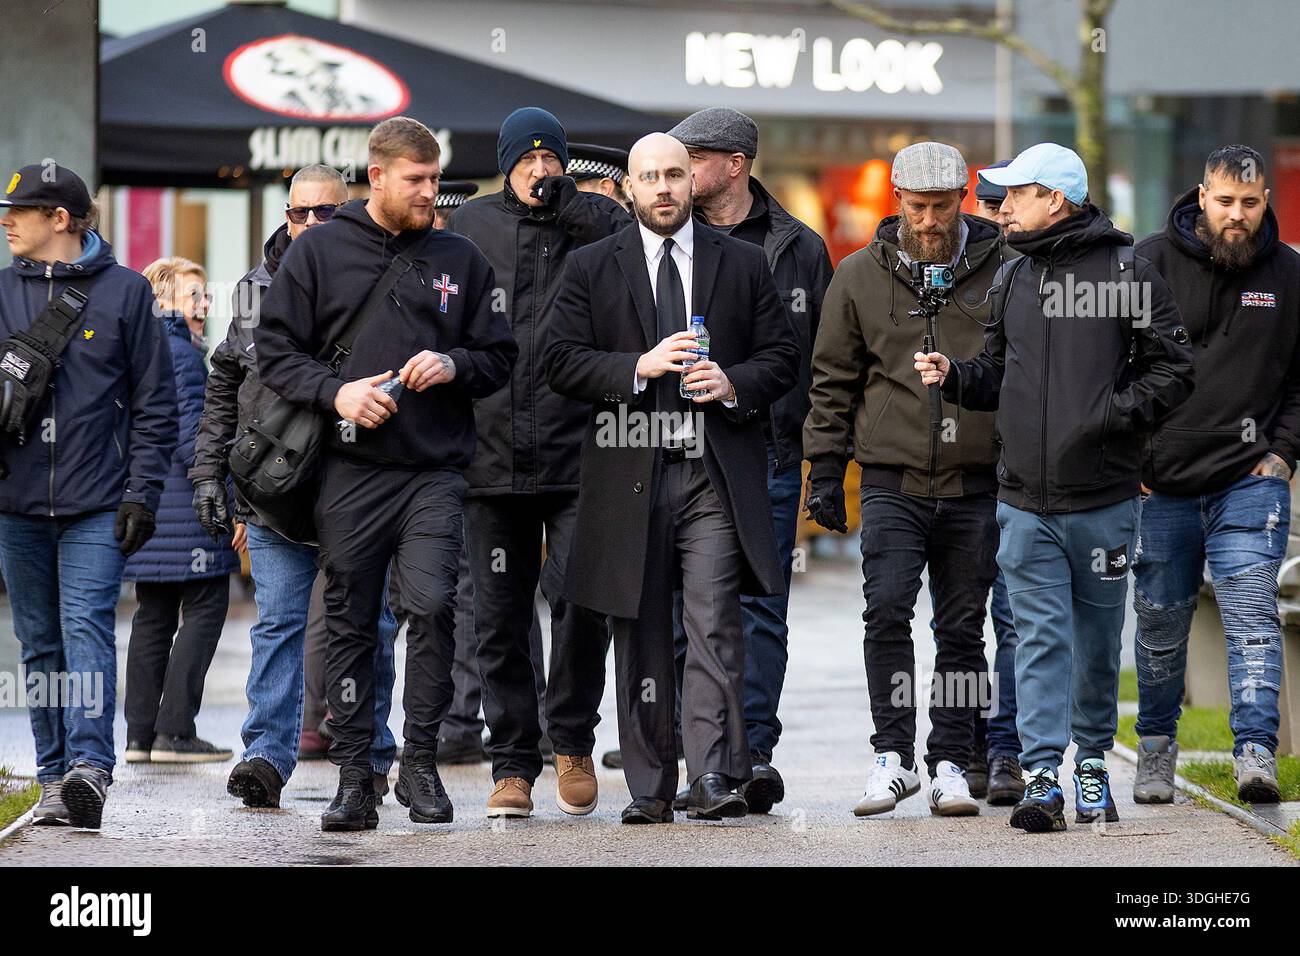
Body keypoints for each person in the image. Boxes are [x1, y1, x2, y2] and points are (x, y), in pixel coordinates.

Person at [916, 143, 1195, 832]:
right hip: (1022, 503)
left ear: (1057, 200)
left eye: (1017, 193)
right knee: (1038, 638)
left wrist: (1110, 416)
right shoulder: (1012, 278)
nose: (1000, 206)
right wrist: (955, 375)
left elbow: (1175, 368)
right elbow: (995, 374)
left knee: (1097, 642)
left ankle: (1093, 765)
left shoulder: (1131, 269)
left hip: (1103, 500)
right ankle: (1044, 777)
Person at [255, 117, 516, 831]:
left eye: (435, 179)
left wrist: (457, 364)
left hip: (434, 471)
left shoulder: (460, 259)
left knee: (432, 609)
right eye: (418, 181)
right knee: (349, 623)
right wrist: (334, 392)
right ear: (377, 177)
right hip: (348, 471)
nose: (432, 193)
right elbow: (273, 351)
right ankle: (353, 776)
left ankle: (423, 764)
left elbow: (499, 356)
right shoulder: (319, 253)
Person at [545, 132, 798, 824]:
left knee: (715, 623)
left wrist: (733, 381)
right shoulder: (593, 266)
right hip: (628, 473)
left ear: (694, 183)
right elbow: (559, 362)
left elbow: (782, 359)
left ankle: (715, 773)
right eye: (649, 176)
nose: (662, 188)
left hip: (713, 474)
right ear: (628, 188)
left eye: (674, 175)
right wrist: (640, 364)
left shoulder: (743, 264)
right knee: (642, 632)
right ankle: (651, 787)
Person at [805, 142, 1009, 818]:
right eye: (917, 206)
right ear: (897, 201)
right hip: (892, 479)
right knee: (887, 614)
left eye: (942, 206)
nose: (929, 220)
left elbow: (1021, 372)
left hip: (975, 480)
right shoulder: (858, 276)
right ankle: (892, 756)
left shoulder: (1003, 270)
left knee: (961, 628)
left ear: (963, 199)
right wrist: (828, 472)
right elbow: (832, 382)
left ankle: (951, 759)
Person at [191, 165, 400, 807]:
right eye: (298, 212)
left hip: (358, 487)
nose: (309, 223)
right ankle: (265, 755)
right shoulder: (254, 290)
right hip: (273, 492)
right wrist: (208, 470)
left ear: (351, 212)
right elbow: (225, 383)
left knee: (370, 624)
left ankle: (368, 753)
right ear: (286, 215)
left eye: (324, 212)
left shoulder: (383, 275)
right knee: (277, 623)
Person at [446, 107, 629, 818]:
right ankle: (512, 763)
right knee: (496, 615)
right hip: (490, 453)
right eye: (524, 159)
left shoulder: (595, 223)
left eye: (549, 157)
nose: (538, 170)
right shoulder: (471, 227)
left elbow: (633, 253)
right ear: (504, 164)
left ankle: (573, 740)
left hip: (581, 448)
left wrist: (576, 208)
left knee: (583, 603)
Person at [652, 106, 832, 814]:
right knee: (675, 607)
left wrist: (822, 458)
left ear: (734, 165)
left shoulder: (798, 247)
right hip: (671, 451)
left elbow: (818, 364)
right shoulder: (660, 236)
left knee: (760, 608)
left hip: (766, 452)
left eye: (691, 158)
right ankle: (690, 752)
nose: (678, 172)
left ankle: (751, 751)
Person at [0, 163, 176, 829]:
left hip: (98, 501)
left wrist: (143, 493)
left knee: (85, 628)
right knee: (40, 643)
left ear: (63, 220)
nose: (7, 220)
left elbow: (157, 405)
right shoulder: (0, 291)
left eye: (22, 209)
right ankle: (51, 778)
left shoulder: (127, 293)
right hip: (16, 503)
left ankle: (90, 769)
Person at [1132, 144, 1300, 805]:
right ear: (1201, 194)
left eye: (1250, 204)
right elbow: (1113, 366)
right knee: (1160, 624)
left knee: (1253, 614)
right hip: (1161, 482)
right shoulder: (1147, 262)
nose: (1237, 216)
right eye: (1225, 201)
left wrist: (1283, 453)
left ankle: (1256, 754)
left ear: (1266, 203)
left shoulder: (1289, 275)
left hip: (1249, 480)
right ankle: (1154, 752)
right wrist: (1134, 460)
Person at [122, 257, 239, 765]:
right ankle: (175, 731)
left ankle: (139, 737)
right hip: (191, 512)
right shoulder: (185, 356)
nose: (205, 304)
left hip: (151, 508)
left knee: (153, 617)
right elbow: (196, 441)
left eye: (205, 296)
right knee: (207, 609)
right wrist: (231, 504)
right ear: (163, 301)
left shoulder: (139, 352)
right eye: (194, 296)